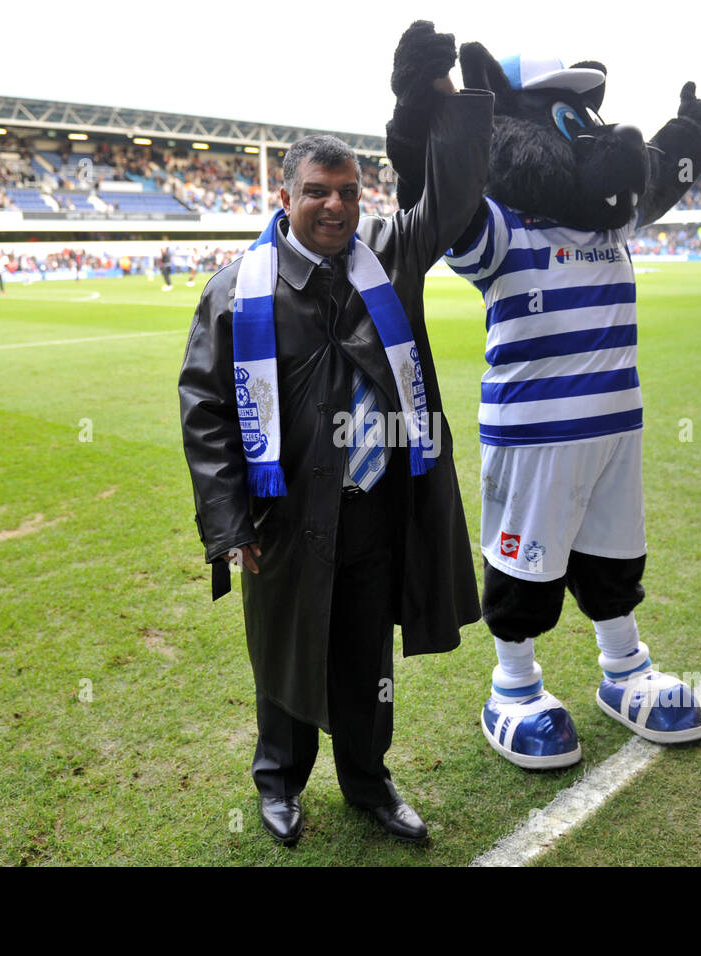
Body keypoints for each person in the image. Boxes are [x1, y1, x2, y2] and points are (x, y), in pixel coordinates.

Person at [178, 23, 490, 848]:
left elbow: (454, 200)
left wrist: (440, 100)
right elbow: (206, 410)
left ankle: (370, 781)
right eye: (318, 190)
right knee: (285, 654)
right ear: (285, 196)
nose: (336, 206)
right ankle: (278, 783)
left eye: (349, 191)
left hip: (378, 508)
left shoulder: (388, 252)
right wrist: (226, 524)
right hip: (286, 515)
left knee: (365, 660)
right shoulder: (236, 291)